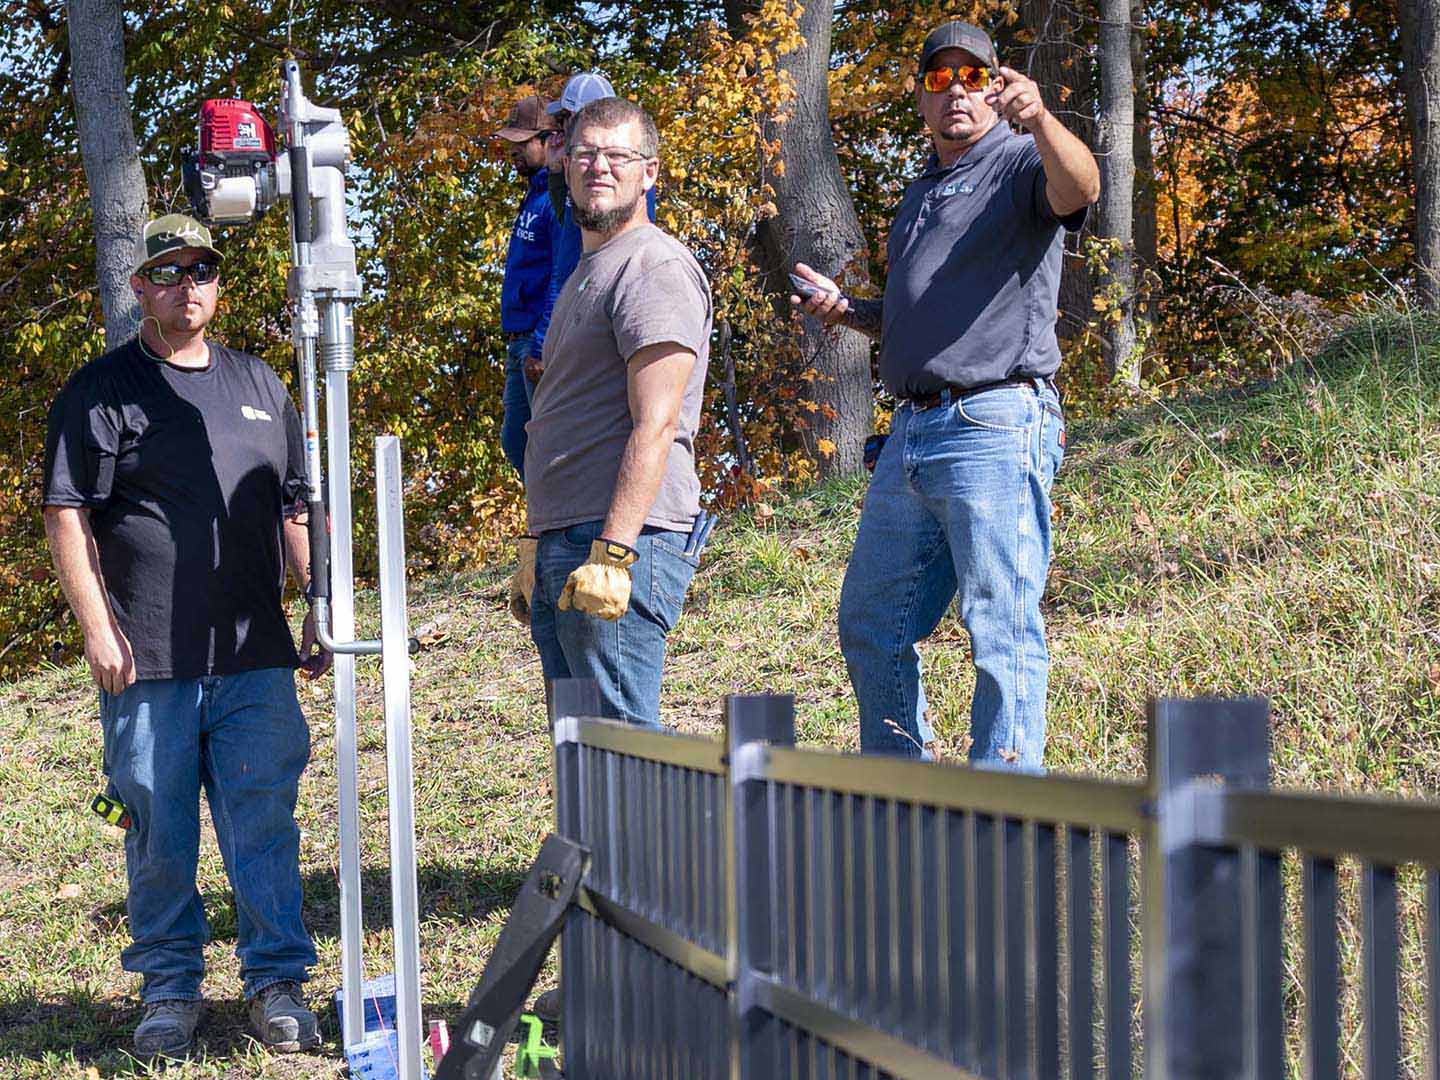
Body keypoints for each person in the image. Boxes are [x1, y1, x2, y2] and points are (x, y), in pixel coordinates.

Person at [41, 214, 332, 1058]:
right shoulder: (101, 392)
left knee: (264, 824)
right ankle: (170, 990)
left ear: (217, 284)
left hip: (254, 659)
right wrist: (98, 632)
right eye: (168, 273)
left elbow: (292, 506)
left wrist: (317, 602)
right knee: (157, 830)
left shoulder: (261, 383)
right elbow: (68, 514)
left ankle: (277, 985)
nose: (187, 286)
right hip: (148, 661)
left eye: (201, 270)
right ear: (140, 288)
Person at [792, 20, 1099, 767]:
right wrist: (848, 313)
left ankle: (1005, 816)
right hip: (911, 435)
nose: (955, 90)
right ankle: (905, 800)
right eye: (938, 79)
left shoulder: (1020, 163)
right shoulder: (923, 188)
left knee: (999, 624)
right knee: (873, 621)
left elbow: (1081, 186)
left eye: (972, 76)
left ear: (996, 88)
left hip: (993, 419)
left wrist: (1042, 118)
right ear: (923, 99)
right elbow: (913, 319)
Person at [509, 97, 712, 726]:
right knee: (585, 772)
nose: (600, 167)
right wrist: (533, 540)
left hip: (621, 541)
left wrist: (614, 553)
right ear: (564, 164)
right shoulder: (587, 270)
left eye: (618, 155)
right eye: (586, 152)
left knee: (624, 765)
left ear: (649, 172)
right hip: (565, 540)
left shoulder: (652, 266)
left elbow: (657, 422)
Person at [530, 71, 657, 387]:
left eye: (567, 119)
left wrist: (542, 341)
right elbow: (567, 220)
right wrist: (558, 170)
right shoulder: (582, 166)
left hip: (595, 303)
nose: (562, 129)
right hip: (576, 298)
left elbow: (585, 241)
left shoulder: (615, 173)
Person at [494, 93, 560, 478]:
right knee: (516, 442)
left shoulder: (554, 200)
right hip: (519, 340)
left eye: (522, 143)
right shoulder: (534, 196)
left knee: (546, 444)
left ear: (548, 140)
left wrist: (541, 342)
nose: (513, 151)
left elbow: (560, 274)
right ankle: (542, 528)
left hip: (537, 343)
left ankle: (558, 532)